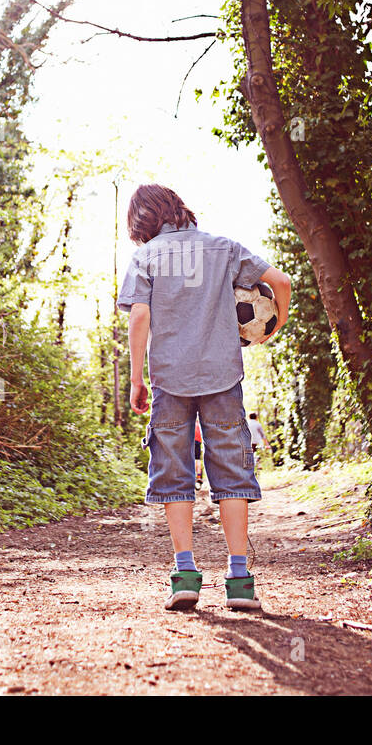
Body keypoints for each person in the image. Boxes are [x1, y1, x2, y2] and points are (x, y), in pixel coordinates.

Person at [117, 184, 291, 612]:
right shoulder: (223, 248)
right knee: (231, 474)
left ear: (141, 222)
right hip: (222, 378)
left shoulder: (145, 256)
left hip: (169, 382)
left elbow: (140, 315)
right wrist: (274, 327)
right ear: (178, 210)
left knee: (174, 474)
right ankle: (239, 579)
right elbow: (282, 282)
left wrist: (137, 379)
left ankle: (185, 575)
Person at [193, 417, 204, 490]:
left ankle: (195, 476)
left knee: (192, 460)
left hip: (192, 441)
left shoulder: (191, 424)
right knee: (197, 460)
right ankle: (198, 476)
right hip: (198, 443)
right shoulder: (199, 425)